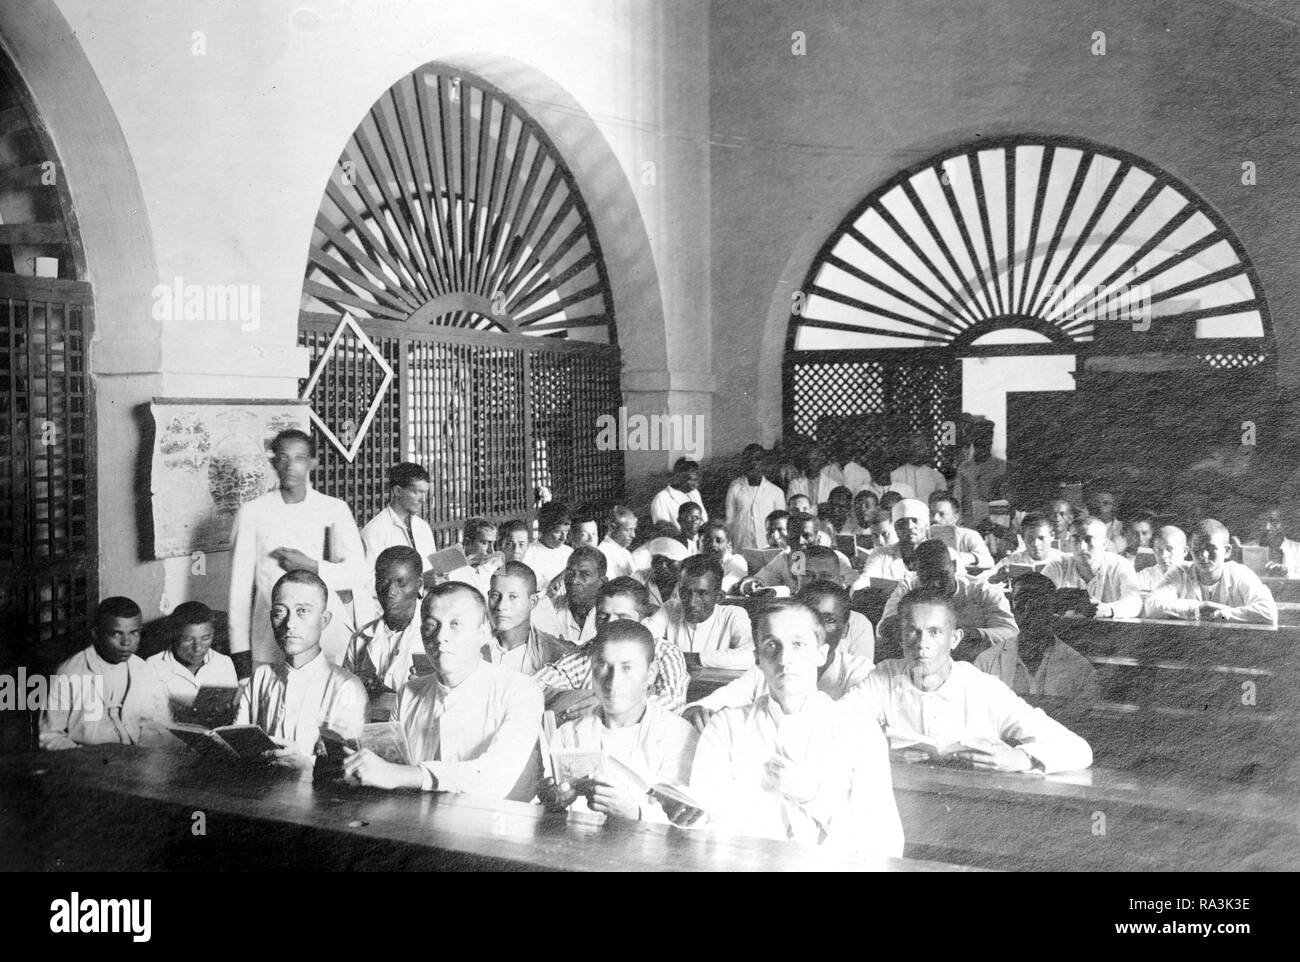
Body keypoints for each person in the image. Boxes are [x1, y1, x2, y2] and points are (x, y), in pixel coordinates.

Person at [688, 598, 905, 857]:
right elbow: (706, 832)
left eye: (798, 644)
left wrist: (815, 799)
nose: (785, 658)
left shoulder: (858, 730)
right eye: (771, 645)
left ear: (821, 654)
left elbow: (883, 842)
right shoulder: (726, 729)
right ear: (757, 658)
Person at [852, 589, 1094, 774]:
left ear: (954, 639)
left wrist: (1020, 758)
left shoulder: (984, 688)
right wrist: (880, 752)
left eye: (934, 632)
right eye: (912, 631)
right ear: (901, 637)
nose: (921, 643)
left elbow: (1078, 749)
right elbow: (836, 726)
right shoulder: (883, 677)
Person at [342, 582, 543, 799]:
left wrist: (400, 774)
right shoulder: (409, 692)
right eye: (430, 626)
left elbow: (494, 777)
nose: (440, 637)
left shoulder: (520, 691)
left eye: (455, 624)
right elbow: (390, 773)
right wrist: (363, 768)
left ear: (483, 633)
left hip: (489, 827)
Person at [228, 429, 369, 672]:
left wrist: (311, 567)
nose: (291, 465)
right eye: (283, 458)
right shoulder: (253, 513)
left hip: (328, 638)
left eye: (300, 457)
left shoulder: (334, 509)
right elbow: (238, 594)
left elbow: (360, 575)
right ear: (273, 462)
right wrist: (241, 658)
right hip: (271, 641)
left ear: (312, 462)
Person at [537, 620, 698, 822]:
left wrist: (636, 814)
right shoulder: (569, 733)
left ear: (650, 674)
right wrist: (552, 802)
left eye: (627, 668)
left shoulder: (679, 735)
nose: (613, 681)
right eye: (603, 666)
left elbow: (688, 820)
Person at [681, 581, 874, 732]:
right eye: (809, 617)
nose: (818, 628)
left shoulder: (859, 672)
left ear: (845, 629)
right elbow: (719, 699)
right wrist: (697, 710)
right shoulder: (772, 668)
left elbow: (851, 723)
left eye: (829, 620)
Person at [236, 571, 367, 768]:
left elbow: (352, 765)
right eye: (280, 611)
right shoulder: (261, 677)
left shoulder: (346, 687)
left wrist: (306, 765)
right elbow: (239, 741)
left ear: (324, 620)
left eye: (302, 611)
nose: (289, 624)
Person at [533, 578, 689, 714]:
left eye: (622, 617)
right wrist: (587, 698)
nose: (610, 624)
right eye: (602, 617)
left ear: (644, 622)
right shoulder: (585, 655)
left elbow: (673, 704)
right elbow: (534, 689)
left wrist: (607, 704)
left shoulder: (664, 653)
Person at [39, 597, 169, 749]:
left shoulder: (144, 669)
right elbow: (50, 736)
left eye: (134, 633)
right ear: (96, 634)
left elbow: (160, 722)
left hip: (137, 759)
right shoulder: (68, 674)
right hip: (88, 763)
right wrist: (85, 759)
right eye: (116, 634)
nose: (126, 642)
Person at [875, 540, 1018, 660]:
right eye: (927, 578)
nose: (935, 584)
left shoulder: (983, 592)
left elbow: (1011, 633)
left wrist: (972, 633)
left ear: (954, 566)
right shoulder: (908, 588)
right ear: (917, 574)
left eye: (942, 575)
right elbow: (883, 629)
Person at [974, 573, 1099, 703]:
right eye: (1021, 600)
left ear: (1053, 607)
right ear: (1011, 606)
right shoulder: (986, 663)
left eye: (1039, 601)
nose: (1029, 610)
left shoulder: (1082, 670)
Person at [1144, 520, 1278, 625]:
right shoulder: (1179, 572)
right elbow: (1152, 606)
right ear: (1190, 550)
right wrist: (1201, 607)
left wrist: (1222, 614)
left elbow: (1268, 612)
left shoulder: (1240, 573)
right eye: (1197, 549)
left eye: (1211, 548)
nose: (1203, 555)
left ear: (1227, 551)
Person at [344, 546, 425, 698]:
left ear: (419, 585)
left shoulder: (436, 635)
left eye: (401, 583)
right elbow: (345, 700)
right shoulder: (360, 638)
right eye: (383, 582)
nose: (390, 592)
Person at [147, 601, 238, 722]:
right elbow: (153, 722)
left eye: (205, 638)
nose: (198, 648)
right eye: (189, 639)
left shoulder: (224, 663)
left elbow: (231, 714)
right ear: (174, 635)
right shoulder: (153, 666)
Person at [662, 555, 754, 669]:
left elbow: (750, 655)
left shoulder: (733, 615)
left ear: (719, 597)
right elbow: (642, 642)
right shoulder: (670, 608)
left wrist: (693, 659)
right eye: (685, 593)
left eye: (702, 594)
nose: (692, 603)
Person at [1041, 517, 1142, 619]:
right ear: (1069, 542)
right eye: (1076, 540)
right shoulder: (1056, 567)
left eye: (1088, 540)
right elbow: (1036, 601)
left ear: (1104, 543)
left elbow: (1134, 602)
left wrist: (1108, 610)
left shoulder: (1120, 565)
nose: (1082, 547)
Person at [485, 560, 576, 674]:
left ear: (532, 602)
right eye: (495, 595)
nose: (501, 606)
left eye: (513, 597)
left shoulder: (555, 654)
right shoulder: (475, 643)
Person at [739, 512, 853, 594]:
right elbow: (760, 579)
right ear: (788, 539)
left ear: (818, 538)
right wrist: (750, 584)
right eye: (794, 536)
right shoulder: (784, 559)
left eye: (806, 535)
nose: (800, 541)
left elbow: (852, 586)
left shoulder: (838, 558)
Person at [360, 462, 437, 572]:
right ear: (397, 491)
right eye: (416, 492)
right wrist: (421, 581)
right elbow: (368, 580)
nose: (423, 499)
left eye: (424, 493)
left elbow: (431, 568)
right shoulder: (374, 531)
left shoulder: (423, 527)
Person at [532, 546, 606, 645]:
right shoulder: (548, 609)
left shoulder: (611, 617)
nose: (574, 581)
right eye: (570, 573)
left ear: (602, 582)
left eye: (585, 574)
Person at [724, 444, 787, 551]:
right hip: (742, 546)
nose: (753, 463)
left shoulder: (776, 492)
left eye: (758, 459)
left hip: (767, 546)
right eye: (749, 459)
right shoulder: (735, 488)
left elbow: (781, 524)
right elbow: (730, 520)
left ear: (764, 463)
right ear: (744, 463)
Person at [855, 498, 932, 584]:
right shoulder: (881, 555)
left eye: (915, 520)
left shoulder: (945, 553)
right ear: (896, 528)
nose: (909, 526)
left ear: (927, 525)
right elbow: (863, 583)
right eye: (903, 523)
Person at [982, 512, 1063, 584]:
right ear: (1023, 538)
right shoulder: (1013, 560)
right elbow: (979, 580)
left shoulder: (1064, 560)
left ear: (1052, 536)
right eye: (1030, 538)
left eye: (1041, 538)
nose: (1035, 544)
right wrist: (995, 578)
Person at [952, 421, 1005, 522]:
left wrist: (997, 523)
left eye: (986, 445)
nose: (982, 449)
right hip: (968, 520)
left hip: (992, 521)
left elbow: (1004, 499)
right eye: (979, 445)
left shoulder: (1001, 467)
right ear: (974, 444)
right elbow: (957, 496)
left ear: (990, 444)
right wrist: (958, 521)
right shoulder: (964, 468)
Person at [928, 492, 995, 568]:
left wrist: (960, 557)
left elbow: (988, 560)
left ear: (955, 518)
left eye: (942, 514)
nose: (935, 519)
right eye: (932, 514)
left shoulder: (969, 535)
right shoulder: (924, 535)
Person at [442, 517, 502, 598]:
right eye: (484, 543)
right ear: (467, 542)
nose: (491, 551)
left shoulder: (492, 566)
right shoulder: (448, 568)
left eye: (493, 544)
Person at [521, 501, 573, 594]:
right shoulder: (529, 554)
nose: (563, 538)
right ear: (543, 528)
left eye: (566, 532)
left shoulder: (569, 553)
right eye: (557, 532)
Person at [650, 457, 707, 529]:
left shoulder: (695, 493)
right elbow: (663, 529)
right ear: (678, 477)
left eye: (697, 479)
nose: (696, 484)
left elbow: (704, 520)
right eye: (691, 480)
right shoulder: (662, 498)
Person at [889, 435, 946, 505]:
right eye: (915, 447)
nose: (918, 451)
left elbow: (942, 502)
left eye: (921, 447)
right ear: (908, 449)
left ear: (926, 450)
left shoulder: (937, 476)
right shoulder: (895, 475)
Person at [699, 520, 749, 593]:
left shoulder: (736, 561)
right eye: (707, 540)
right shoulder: (693, 563)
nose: (713, 545)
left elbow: (726, 585)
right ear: (698, 544)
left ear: (728, 545)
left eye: (718, 541)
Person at [1138, 525, 1188, 591]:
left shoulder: (1195, 573)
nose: (1163, 555)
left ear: (1184, 551)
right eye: (1158, 550)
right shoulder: (1148, 575)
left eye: (1169, 549)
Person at [1256, 507, 1300, 578]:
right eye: (1262, 521)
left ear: (1284, 523)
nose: (1267, 527)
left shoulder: (1297, 549)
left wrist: (1286, 572)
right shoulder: (1246, 549)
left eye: (1273, 521)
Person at [597, 505, 638, 579]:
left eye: (634, 530)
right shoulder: (603, 554)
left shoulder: (626, 553)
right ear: (612, 527)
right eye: (628, 530)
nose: (633, 535)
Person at [1087, 488, 1126, 554]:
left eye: (1105, 503)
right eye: (1097, 503)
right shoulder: (1088, 526)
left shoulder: (1123, 527)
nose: (1100, 506)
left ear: (1115, 506)